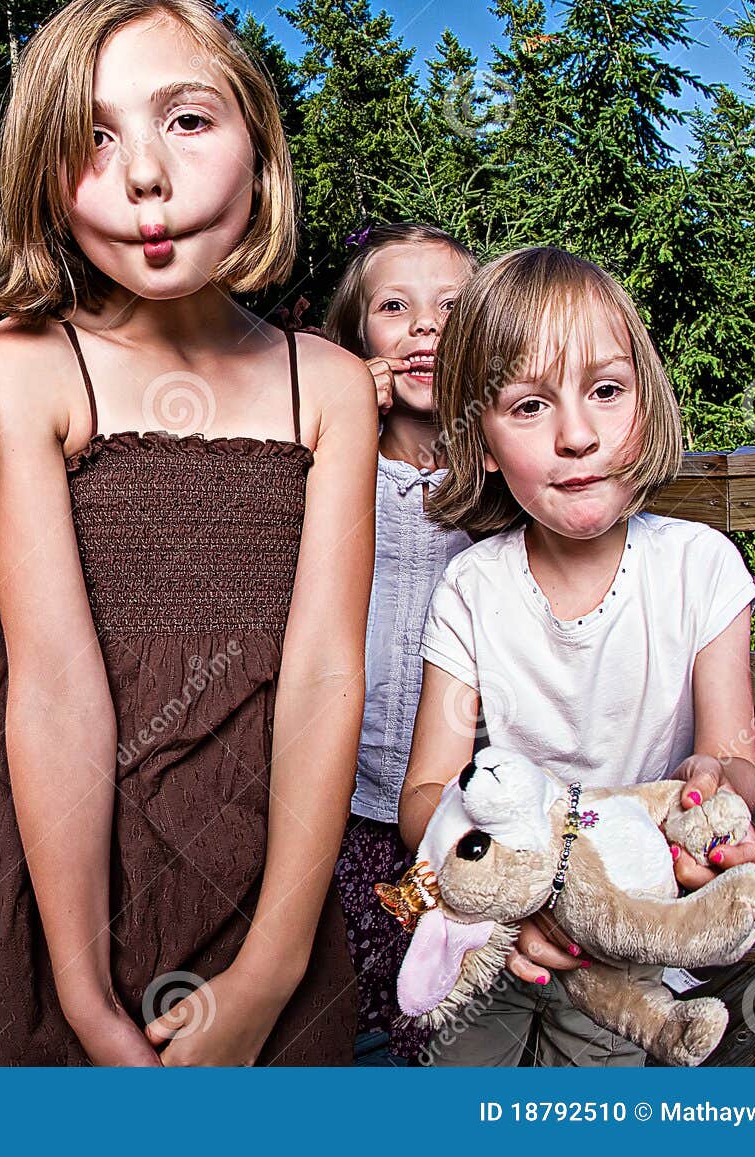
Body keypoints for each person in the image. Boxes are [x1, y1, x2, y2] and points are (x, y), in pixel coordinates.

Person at [0, 0, 376, 1066]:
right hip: (67, 871)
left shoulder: (329, 385)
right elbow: (51, 681)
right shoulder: (24, 365)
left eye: (186, 121)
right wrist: (82, 992)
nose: (143, 175)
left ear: (260, 150)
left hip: (273, 863)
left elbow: (322, 674)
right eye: (92, 137)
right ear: (43, 176)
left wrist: (270, 969)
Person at [398, 247, 755, 1066]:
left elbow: (734, 758)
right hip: (490, 923)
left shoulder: (701, 570)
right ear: (482, 442)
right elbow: (426, 791)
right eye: (529, 405)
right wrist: (514, 886)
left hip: (627, 921)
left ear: (644, 399)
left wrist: (710, 798)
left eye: (606, 391)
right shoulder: (473, 586)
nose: (576, 434)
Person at [320, 223, 477, 1062]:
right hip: (337, 802)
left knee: (442, 1014)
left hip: (459, 810)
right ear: (357, 339)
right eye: (395, 307)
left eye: (454, 309)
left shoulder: (501, 477)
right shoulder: (321, 463)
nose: (425, 327)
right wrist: (342, 407)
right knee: (351, 1009)